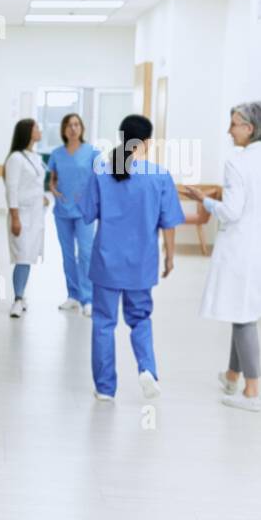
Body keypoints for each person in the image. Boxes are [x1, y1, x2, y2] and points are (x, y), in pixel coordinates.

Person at [185, 102, 261, 411]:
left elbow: (232, 212)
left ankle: (252, 392)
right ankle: (232, 376)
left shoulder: (237, 163)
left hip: (242, 249)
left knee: (243, 315)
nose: (229, 130)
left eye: (233, 124)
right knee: (243, 311)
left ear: (249, 128)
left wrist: (207, 201)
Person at [79, 114, 185, 401]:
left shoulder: (102, 171)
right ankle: (147, 370)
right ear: (148, 142)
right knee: (140, 319)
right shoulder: (160, 176)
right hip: (141, 263)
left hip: (106, 262)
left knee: (104, 322)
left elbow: (87, 214)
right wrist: (170, 258)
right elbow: (169, 224)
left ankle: (104, 388)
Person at [48, 113, 97, 317]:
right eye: (69, 125)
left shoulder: (92, 152)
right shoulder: (57, 154)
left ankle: (88, 298)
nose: (73, 128)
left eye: (76, 124)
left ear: (82, 128)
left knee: (85, 253)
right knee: (68, 255)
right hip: (62, 210)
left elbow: (100, 179)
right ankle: (73, 295)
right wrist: (53, 189)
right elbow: (52, 179)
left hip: (84, 211)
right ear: (64, 130)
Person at [4, 118, 50, 318]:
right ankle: (17, 299)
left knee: (28, 257)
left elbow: (35, 184)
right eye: (36, 128)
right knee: (21, 257)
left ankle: (21, 297)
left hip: (36, 215)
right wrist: (15, 217)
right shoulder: (15, 158)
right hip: (21, 215)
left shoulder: (35, 157)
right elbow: (12, 189)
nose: (39, 130)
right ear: (27, 132)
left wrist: (43, 198)